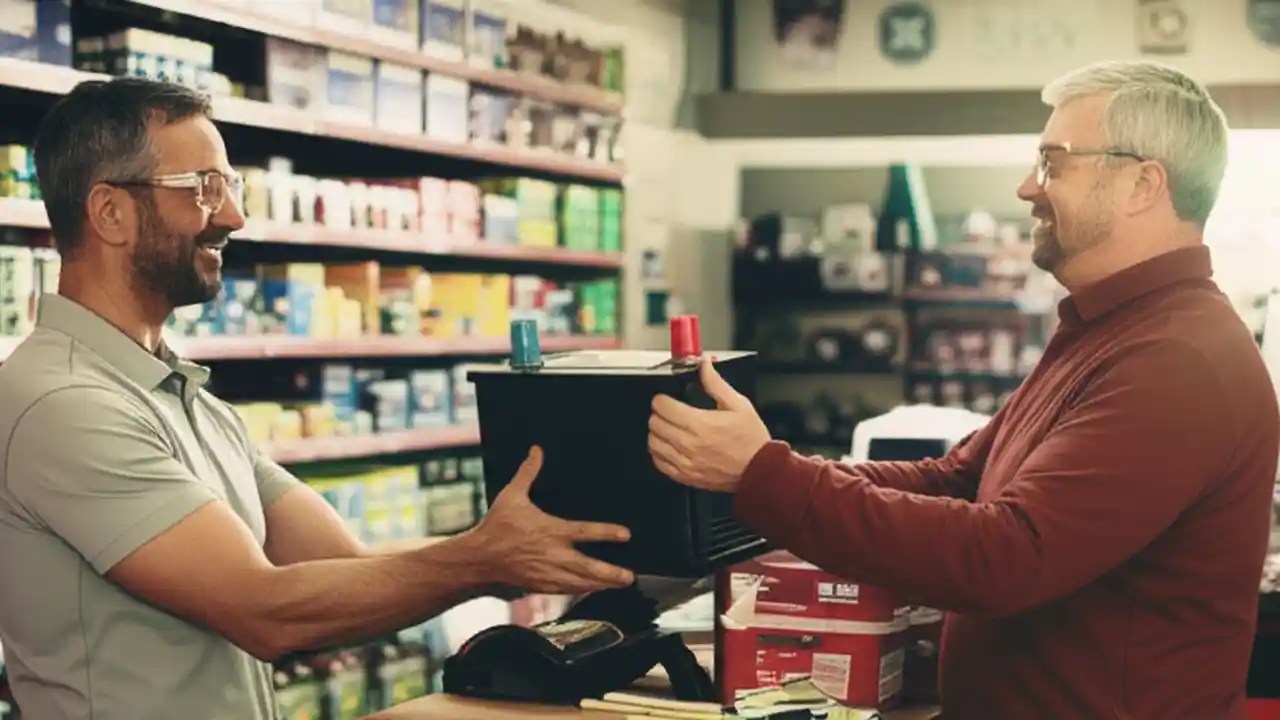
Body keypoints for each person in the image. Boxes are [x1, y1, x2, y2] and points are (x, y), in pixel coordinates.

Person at [650, 60, 1280, 719]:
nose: (1026, 187)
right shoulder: (1113, 331)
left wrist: (764, 475)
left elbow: (1008, 556)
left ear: (1142, 184)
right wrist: (752, 476)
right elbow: (955, 480)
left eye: (1052, 163)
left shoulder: (1177, 360)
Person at [0, 78, 634, 720]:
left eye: (231, 186)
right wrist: (482, 560)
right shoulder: (63, 404)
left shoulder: (186, 400)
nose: (232, 216)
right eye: (204, 188)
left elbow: (340, 564)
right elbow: (264, 610)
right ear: (110, 212)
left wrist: (517, 548)